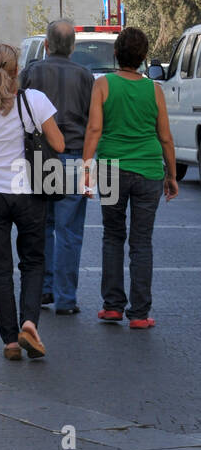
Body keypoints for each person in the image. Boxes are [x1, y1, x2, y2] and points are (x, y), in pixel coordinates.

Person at [0, 43, 65, 360]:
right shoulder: (36, 100)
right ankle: (29, 322)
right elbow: (58, 143)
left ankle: (10, 341)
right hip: (29, 191)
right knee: (33, 262)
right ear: (18, 69)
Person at [81, 26, 178, 329]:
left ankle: (112, 306)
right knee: (141, 242)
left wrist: (86, 167)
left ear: (115, 53)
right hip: (149, 170)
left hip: (111, 168)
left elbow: (94, 129)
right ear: (143, 57)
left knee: (112, 235)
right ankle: (140, 313)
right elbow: (165, 137)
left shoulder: (104, 85)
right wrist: (171, 175)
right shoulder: (155, 90)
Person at [20, 19, 93, 315]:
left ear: (46, 45)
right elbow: (94, 123)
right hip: (74, 157)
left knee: (42, 226)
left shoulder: (32, 72)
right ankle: (66, 298)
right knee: (69, 231)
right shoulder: (86, 77)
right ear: (73, 46)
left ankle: (43, 290)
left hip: (39, 157)